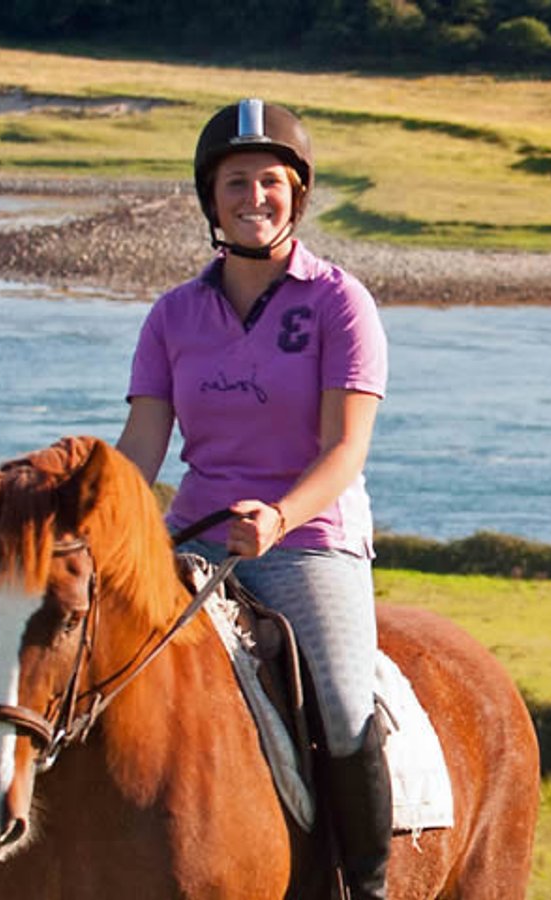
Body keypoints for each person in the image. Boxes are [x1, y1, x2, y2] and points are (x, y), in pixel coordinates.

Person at [127, 98, 392, 897]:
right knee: (77, 663)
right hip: (196, 535)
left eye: (270, 182)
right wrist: (91, 525)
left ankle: (367, 883)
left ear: (297, 194)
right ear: (211, 200)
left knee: (345, 707)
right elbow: (141, 448)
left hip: (309, 542)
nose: (254, 198)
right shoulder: (173, 314)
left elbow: (346, 447)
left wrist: (278, 516)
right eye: (235, 182)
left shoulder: (340, 303)